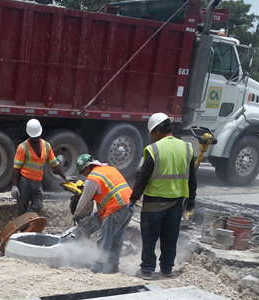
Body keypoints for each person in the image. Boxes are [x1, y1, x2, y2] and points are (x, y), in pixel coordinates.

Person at [130, 112, 196, 279]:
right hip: (176, 202)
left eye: (152, 134)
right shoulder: (187, 148)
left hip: (154, 201)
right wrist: (191, 199)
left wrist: (133, 198)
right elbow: (192, 177)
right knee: (170, 237)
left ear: (157, 131)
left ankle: (147, 269)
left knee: (149, 237)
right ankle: (166, 269)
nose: (152, 137)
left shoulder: (154, 149)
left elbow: (142, 177)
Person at [73, 154, 135, 274]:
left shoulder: (93, 178)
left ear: (87, 167)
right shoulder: (109, 169)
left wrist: (76, 215)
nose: (84, 175)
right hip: (129, 206)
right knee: (117, 238)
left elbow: (84, 201)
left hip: (116, 207)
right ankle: (113, 266)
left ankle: (98, 267)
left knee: (105, 239)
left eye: (83, 172)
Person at [11, 119, 67, 215]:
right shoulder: (23, 147)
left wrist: (65, 177)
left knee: (38, 206)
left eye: (37, 136)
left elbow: (54, 164)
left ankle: (25, 219)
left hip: (38, 182)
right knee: (22, 207)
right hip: (25, 182)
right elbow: (16, 168)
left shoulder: (46, 146)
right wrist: (14, 186)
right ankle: (23, 222)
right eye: (34, 137)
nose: (36, 139)